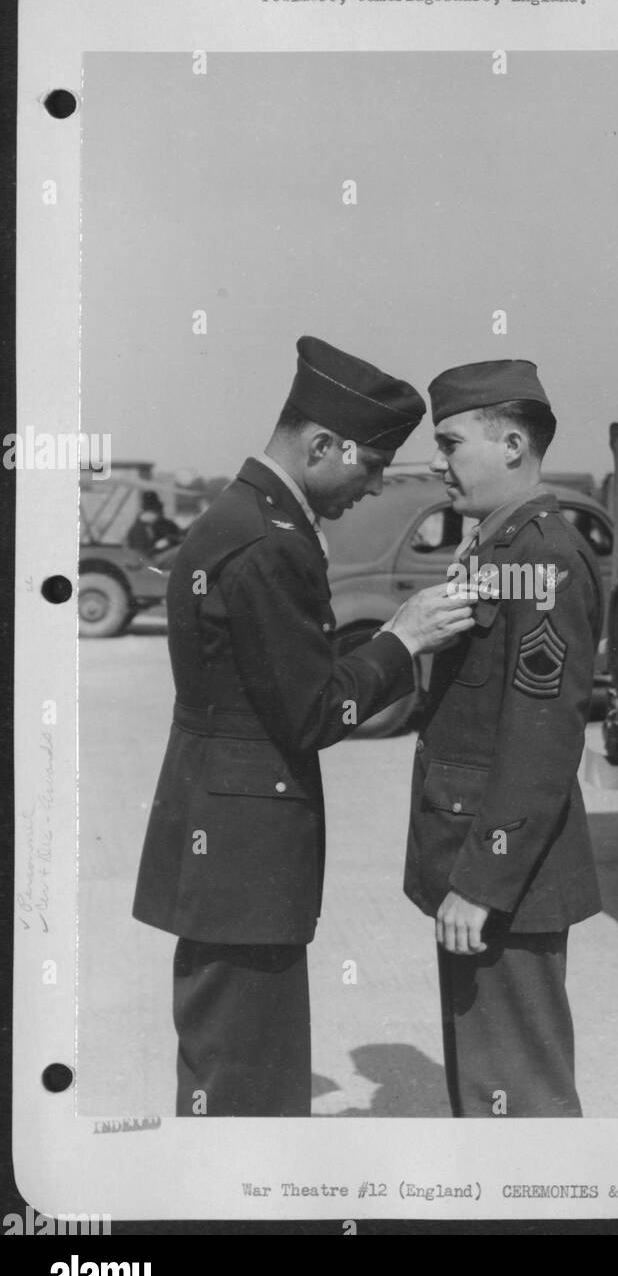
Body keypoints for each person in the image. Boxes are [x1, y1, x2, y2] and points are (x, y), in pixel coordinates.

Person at [133, 335, 474, 1116]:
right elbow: (314, 711)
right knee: (250, 1087)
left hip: (220, 839)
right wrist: (403, 637)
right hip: (247, 855)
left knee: (229, 1065)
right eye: (371, 465)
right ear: (323, 444)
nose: (374, 484)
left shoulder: (241, 516)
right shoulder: (270, 543)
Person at [404, 359, 603, 1117]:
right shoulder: (495, 549)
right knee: (486, 1093)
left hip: (505, 879)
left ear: (512, 444)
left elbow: (541, 738)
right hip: (483, 864)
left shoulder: (541, 557)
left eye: (450, 443)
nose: (436, 460)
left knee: (520, 1103)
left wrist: (481, 884)